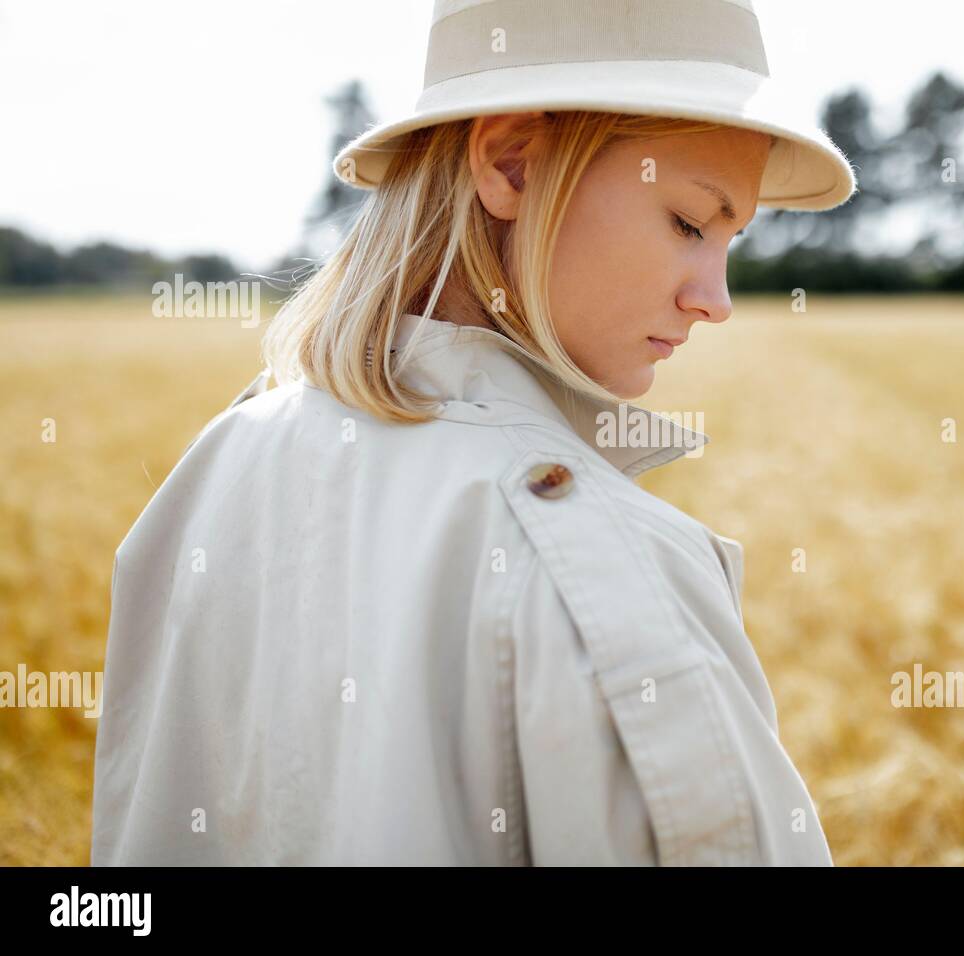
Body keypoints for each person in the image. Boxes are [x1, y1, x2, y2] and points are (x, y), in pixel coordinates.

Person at [91, 0, 857, 865]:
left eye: (730, 242)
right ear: (514, 164)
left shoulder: (211, 473)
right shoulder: (606, 562)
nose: (715, 300)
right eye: (688, 222)